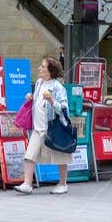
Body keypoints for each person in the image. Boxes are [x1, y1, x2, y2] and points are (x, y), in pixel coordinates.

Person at [16, 55, 70, 195]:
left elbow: (64, 109)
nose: (40, 68)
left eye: (43, 67)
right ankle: (27, 184)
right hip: (38, 127)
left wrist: (52, 100)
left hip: (53, 127)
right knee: (29, 154)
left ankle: (63, 184)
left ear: (50, 71)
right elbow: (38, 101)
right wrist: (31, 97)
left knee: (60, 155)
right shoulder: (39, 83)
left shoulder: (58, 87)